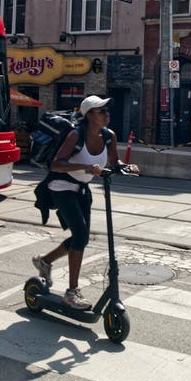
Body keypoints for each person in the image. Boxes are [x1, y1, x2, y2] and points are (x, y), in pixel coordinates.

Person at [31, 95, 138, 309]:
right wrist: (86, 168)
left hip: (81, 188)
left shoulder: (109, 136)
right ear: (89, 115)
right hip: (61, 186)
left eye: (107, 110)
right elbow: (56, 164)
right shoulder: (75, 135)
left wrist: (126, 166)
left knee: (82, 238)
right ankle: (72, 293)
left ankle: (44, 261)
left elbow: (113, 161)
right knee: (80, 235)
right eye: (102, 111)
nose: (107, 114)